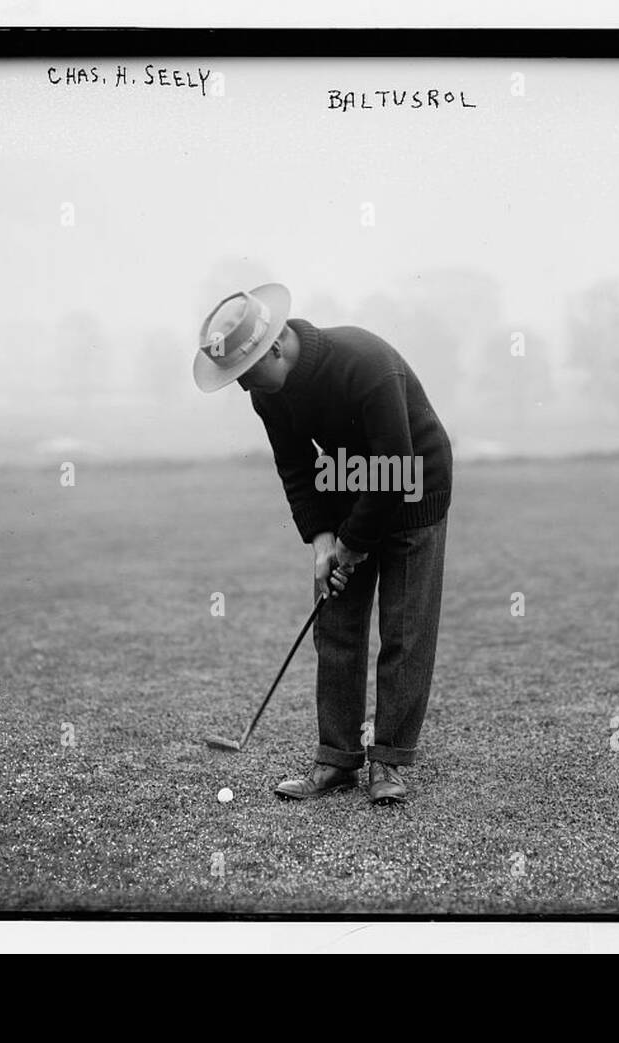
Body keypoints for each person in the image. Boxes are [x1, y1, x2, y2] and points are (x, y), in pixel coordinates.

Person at [193, 283, 452, 804]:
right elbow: (294, 465)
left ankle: (389, 763)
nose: (243, 389)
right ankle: (336, 760)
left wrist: (354, 545)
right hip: (346, 488)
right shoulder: (268, 392)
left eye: (244, 376)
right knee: (335, 623)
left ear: (273, 348)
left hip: (413, 484)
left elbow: (394, 466)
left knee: (404, 628)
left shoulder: (364, 362)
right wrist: (321, 540)